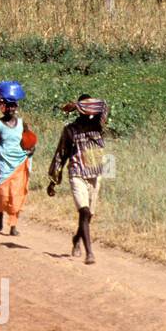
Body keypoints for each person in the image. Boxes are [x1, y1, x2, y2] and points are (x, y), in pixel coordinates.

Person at [47, 94, 108, 265]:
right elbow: (61, 154)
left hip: (96, 173)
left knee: (89, 216)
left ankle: (77, 239)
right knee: (84, 211)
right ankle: (89, 253)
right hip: (77, 173)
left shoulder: (98, 125)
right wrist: (54, 180)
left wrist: (78, 104)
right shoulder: (69, 129)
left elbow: (104, 104)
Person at [0, 80, 34, 236]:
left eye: (12, 105)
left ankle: (13, 226)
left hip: (19, 163)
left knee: (17, 195)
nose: (10, 109)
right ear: (2, 107)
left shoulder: (23, 124)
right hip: (4, 164)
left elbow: (29, 141)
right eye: (7, 105)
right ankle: (0, 212)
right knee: (2, 194)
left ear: (16, 107)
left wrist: (31, 150)